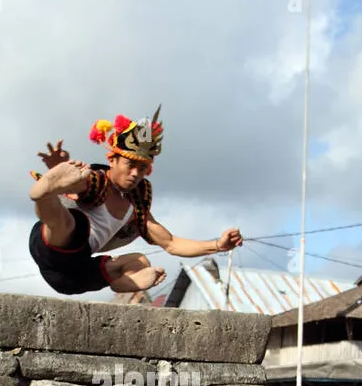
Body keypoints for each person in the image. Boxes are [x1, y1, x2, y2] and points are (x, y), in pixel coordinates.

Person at [28, 108, 243, 296]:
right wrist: (60, 173)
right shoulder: (96, 181)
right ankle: (45, 192)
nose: (135, 174)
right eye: (129, 165)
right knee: (73, 224)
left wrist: (217, 245)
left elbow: (171, 243)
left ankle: (123, 283)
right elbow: (77, 185)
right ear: (112, 159)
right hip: (50, 246)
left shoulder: (136, 208)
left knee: (140, 262)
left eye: (141, 169)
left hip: (74, 275)